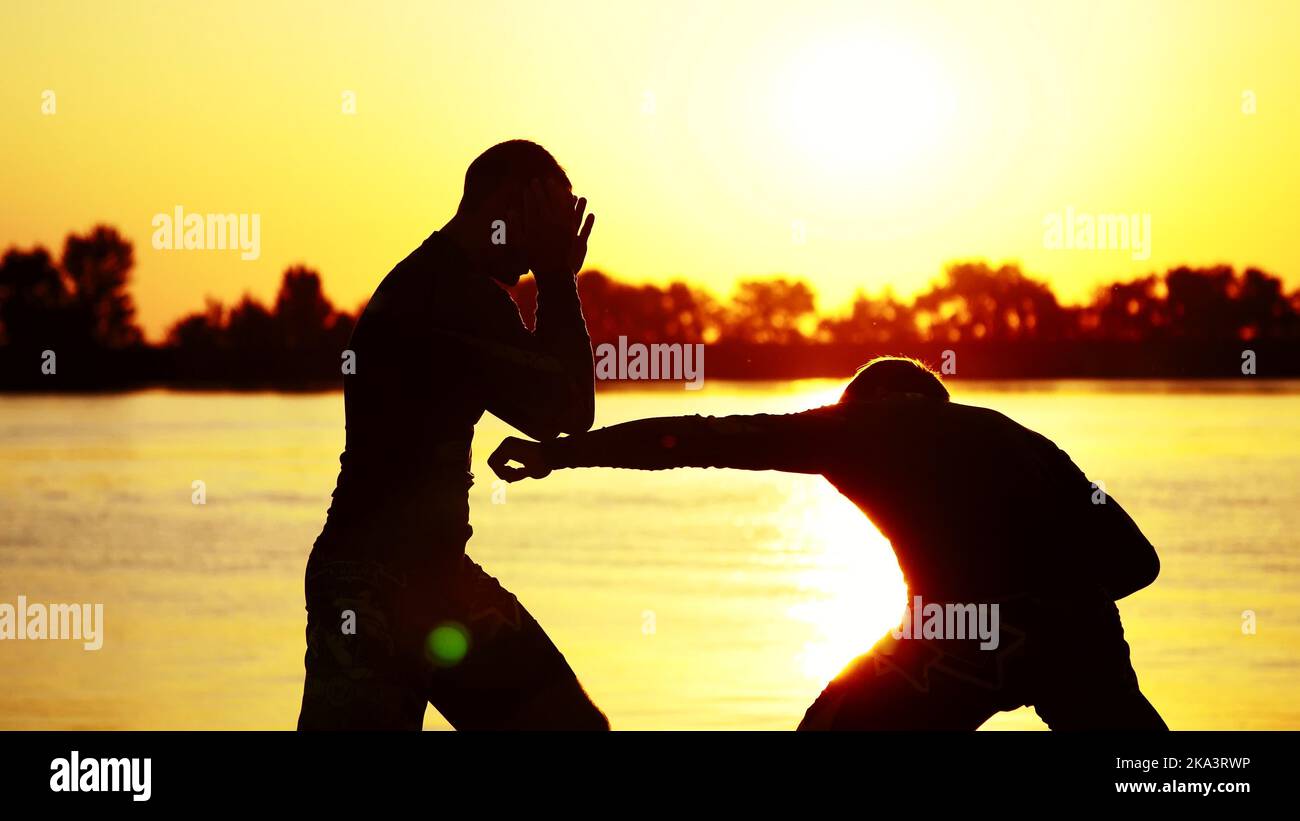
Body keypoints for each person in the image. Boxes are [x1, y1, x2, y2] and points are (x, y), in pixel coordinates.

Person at [488, 356, 1168, 730]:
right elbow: (1139, 561)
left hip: (958, 639)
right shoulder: (1022, 438)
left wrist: (564, 453)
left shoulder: (857, 433)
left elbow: (694, 437)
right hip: (1077, 636)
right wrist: (1048, 617)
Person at [298, 140, 609, 730]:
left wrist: (551, 268)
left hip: (435, 577)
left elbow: (561, 406)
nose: (554, 238)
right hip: (369, 586)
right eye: (544, 220)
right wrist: (555, 273)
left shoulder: (458, 287)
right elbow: (566, 408)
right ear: (501, 206)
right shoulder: (446, 294)